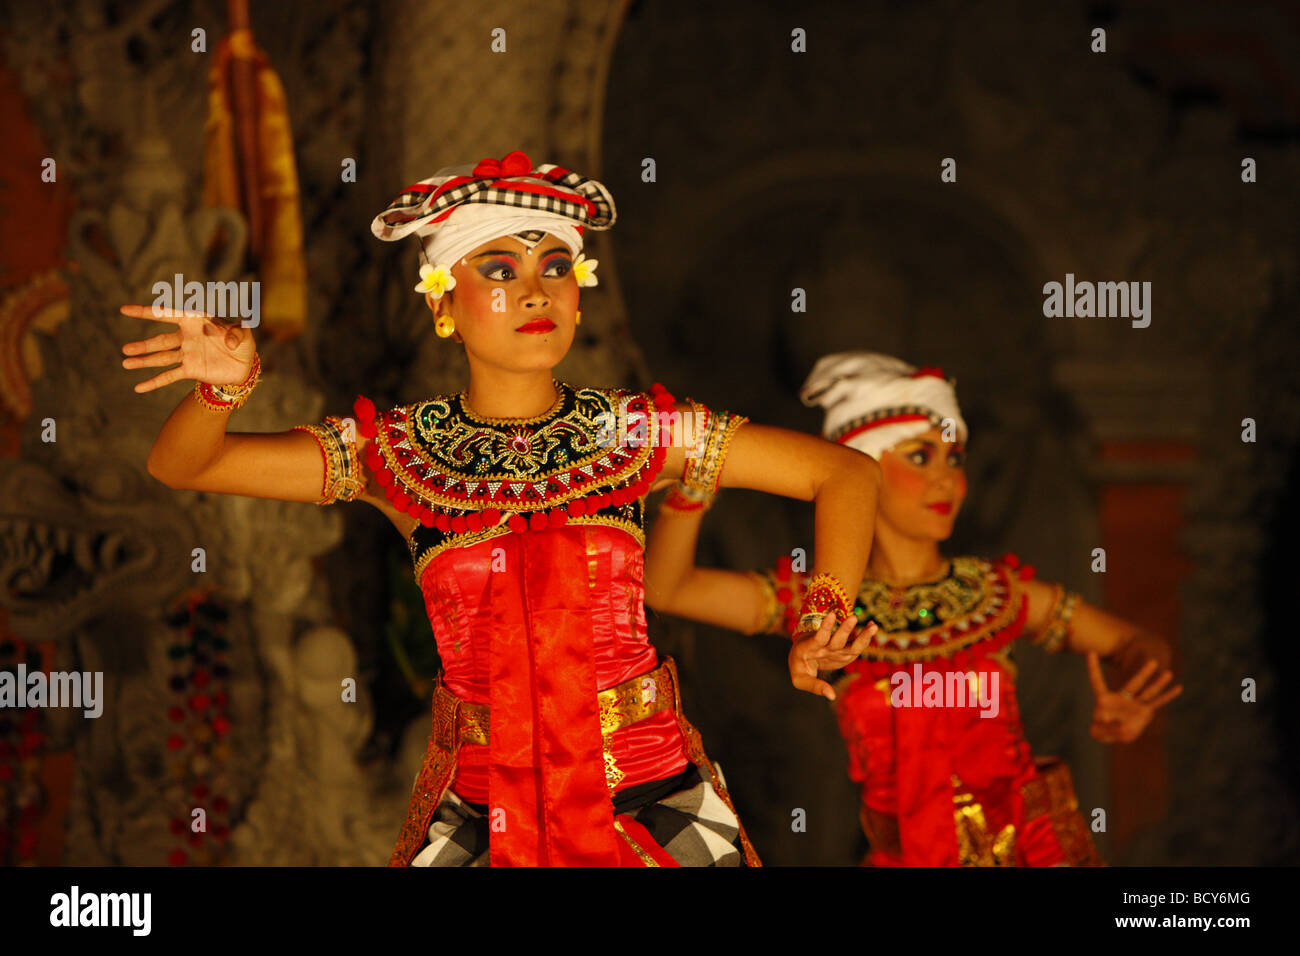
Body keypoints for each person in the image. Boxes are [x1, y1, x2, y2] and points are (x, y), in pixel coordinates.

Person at [118, 151, 881, 867]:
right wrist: (225, 388)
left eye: (556, 268)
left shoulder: (641, 434)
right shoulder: (395, 455)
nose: (535, 291)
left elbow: (843, 474)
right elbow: (184, 464)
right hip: (487, 811)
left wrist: (822, 616)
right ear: (445, 302)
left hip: (649, 794)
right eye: (499, 268)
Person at [643, 352, 1183, 866]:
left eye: (955, 458)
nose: (946, 478)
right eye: (920, 456)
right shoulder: (818, 605)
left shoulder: (998, 596)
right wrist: (696, 476)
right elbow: (669, 590)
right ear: (863, 468)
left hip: (1032, 849)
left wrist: (1137, 689)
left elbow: (1138, 645)